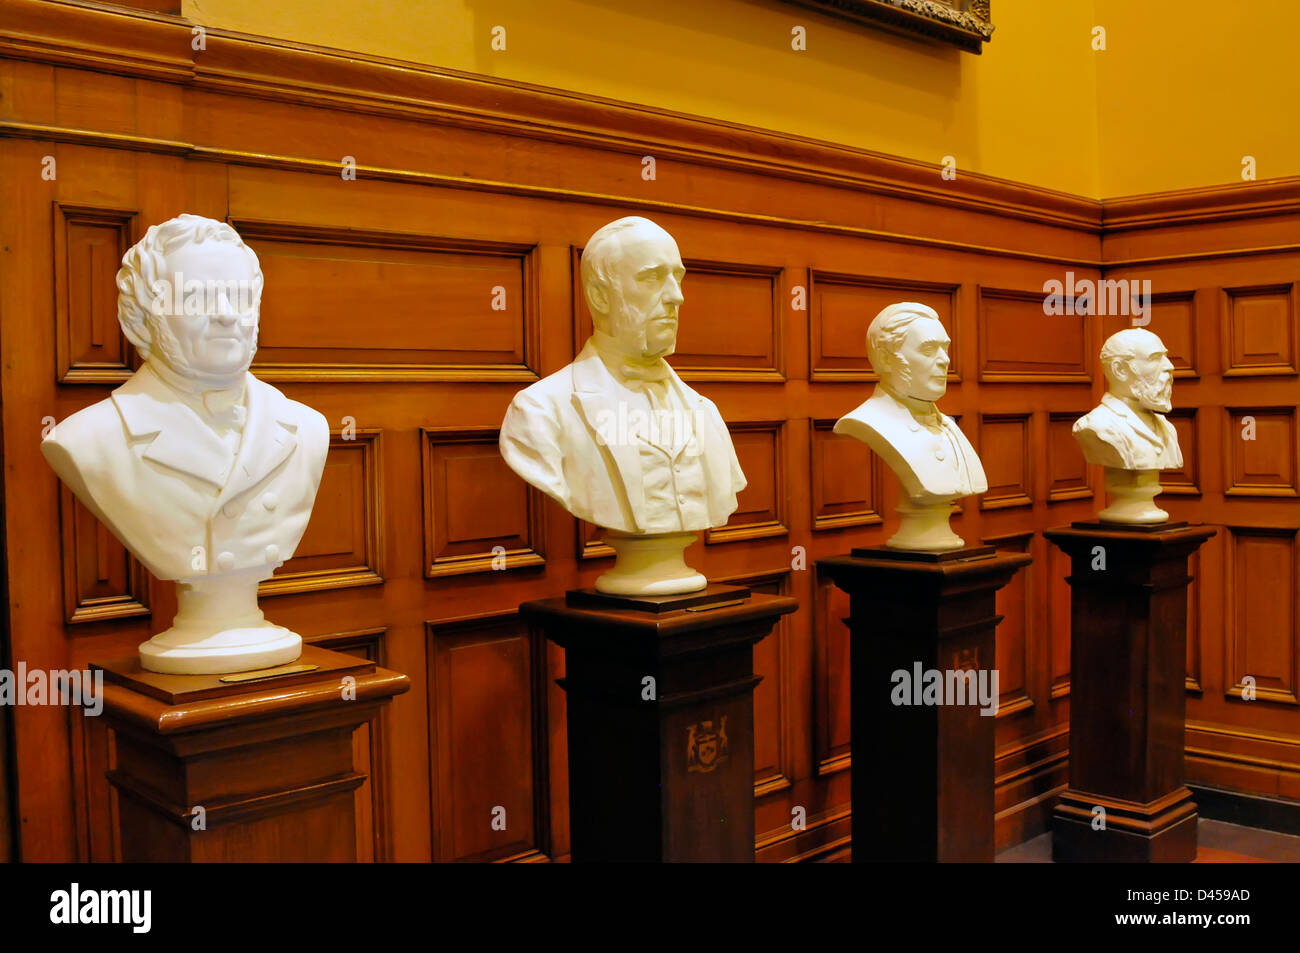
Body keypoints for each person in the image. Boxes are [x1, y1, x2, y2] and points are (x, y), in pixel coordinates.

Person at [499, 216, 745, 535]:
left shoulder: (705, 412)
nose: (676, 296)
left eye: (678, 277)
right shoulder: (540, 412)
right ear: (601, 296)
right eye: (652, 278)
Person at [1073, 327, 1182, 471]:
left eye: (1165, 357)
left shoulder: (1167, 428)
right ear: (1120, 370)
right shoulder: (1097, 426)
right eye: (1155, 358)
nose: (1170, 366)